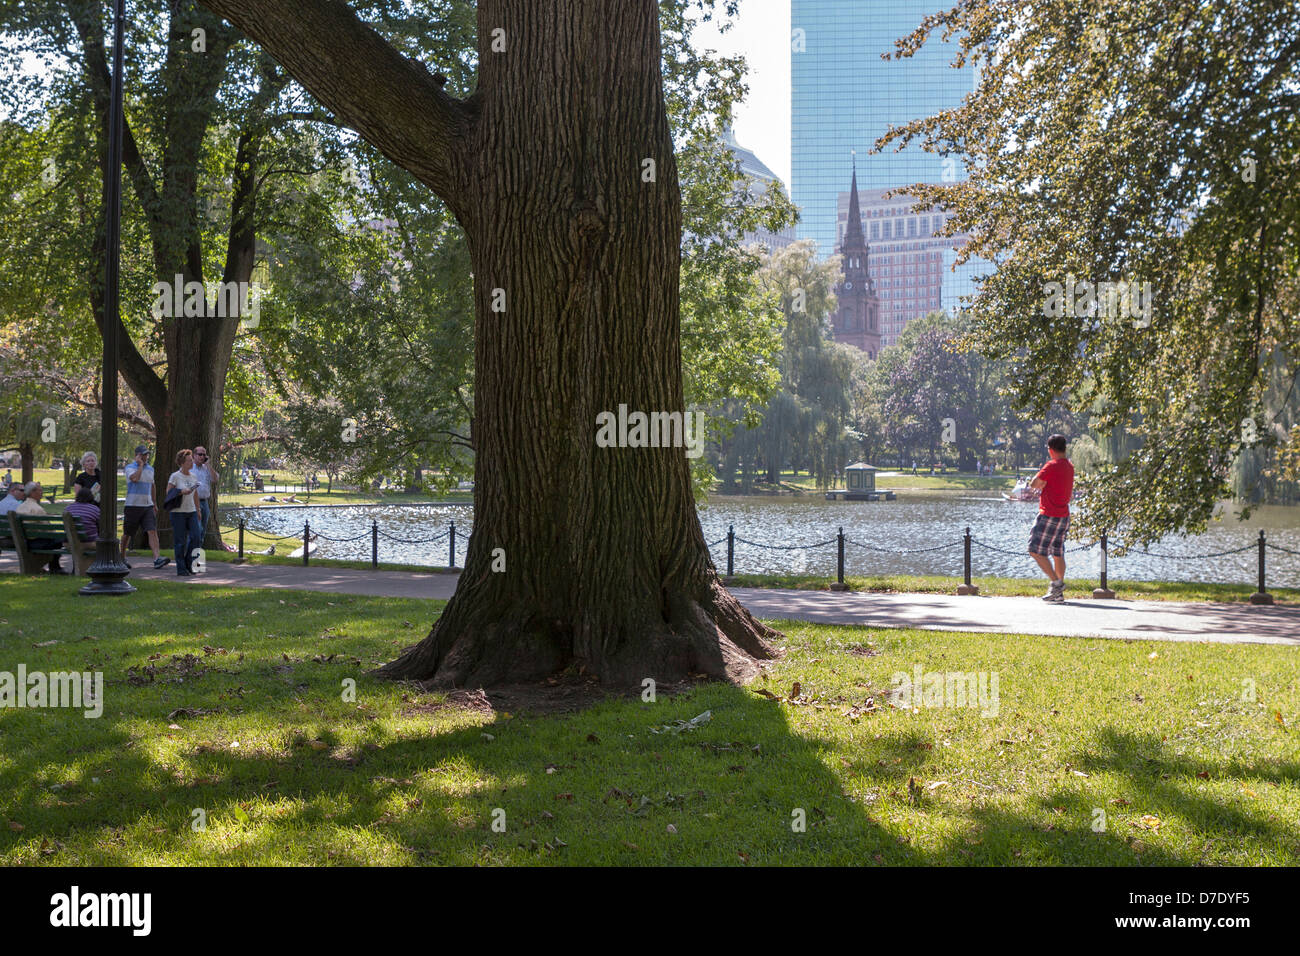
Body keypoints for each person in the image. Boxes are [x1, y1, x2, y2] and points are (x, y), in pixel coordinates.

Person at [1028, 434, 1075, 603]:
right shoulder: (1069, 466)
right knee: (1057, 552)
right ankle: (1058, 593)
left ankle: (1056, 584)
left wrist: (1042, 483)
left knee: (1034, 550)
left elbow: (1034, 483)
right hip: (1064, 515)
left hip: (1049, 514)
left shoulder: (1052, 465)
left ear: (1050, 450)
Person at [122, 445, 170, 570]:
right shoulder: (129, 468)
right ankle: (121, 557)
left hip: (147, 505)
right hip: (132, 505)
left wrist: (154, 502)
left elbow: (152, 485)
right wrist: (141, 466)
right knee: (127, 533)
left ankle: (157, 559)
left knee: (152, 531)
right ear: (136, 455)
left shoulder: (151, 469)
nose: (145, 457)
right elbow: (135, 479)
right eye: (143, 454)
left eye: (147, 454)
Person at [165, 449, 203, 577]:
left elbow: (195, 494)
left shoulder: (193, 476)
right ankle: (181, 568)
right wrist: (181, 491)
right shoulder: (175, 476)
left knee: (196, 537)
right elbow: (168, 493)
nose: (191, 462)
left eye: (192, 460)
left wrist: (198, 509)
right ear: (182, 462)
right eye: (189, 460)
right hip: (178, 512)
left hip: (191, 511)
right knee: (180, 541)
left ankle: (189, 563)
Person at [15, 482, 66, 573]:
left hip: (25, 541)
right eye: (40, 490)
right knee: (60, 540)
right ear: (32, 492)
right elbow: (48, 530)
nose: (42, 492)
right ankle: (55, 567)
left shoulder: (20, 507)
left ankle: (54, 567)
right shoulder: (37, 509)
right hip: (39, 542)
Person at [192, 445, 218, 538]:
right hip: (193, 502)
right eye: (200, 454)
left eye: (204, 455)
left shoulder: (207, 468)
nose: (202, 457)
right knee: (196, 528)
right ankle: (190, 551)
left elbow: (215, 479)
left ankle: (197, 551)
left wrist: (208, 465)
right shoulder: (189, 468)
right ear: (194, 455)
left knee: (202, 529)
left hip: (204, 502)